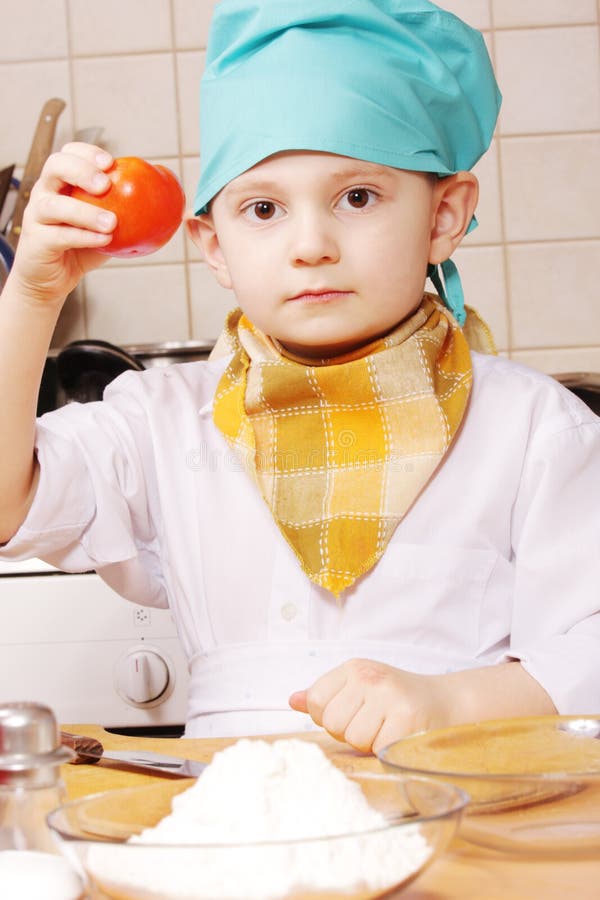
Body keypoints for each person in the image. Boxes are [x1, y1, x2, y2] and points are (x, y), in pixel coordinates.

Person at [1, 0, 599, 752]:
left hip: (461, 806)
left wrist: (454, 701)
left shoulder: (534, 426)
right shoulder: (161, 421)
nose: (310, 244)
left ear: (444, 216)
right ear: (213, 246)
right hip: (230, 813)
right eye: (263, 209)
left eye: (357, 197)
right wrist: (33, 294)